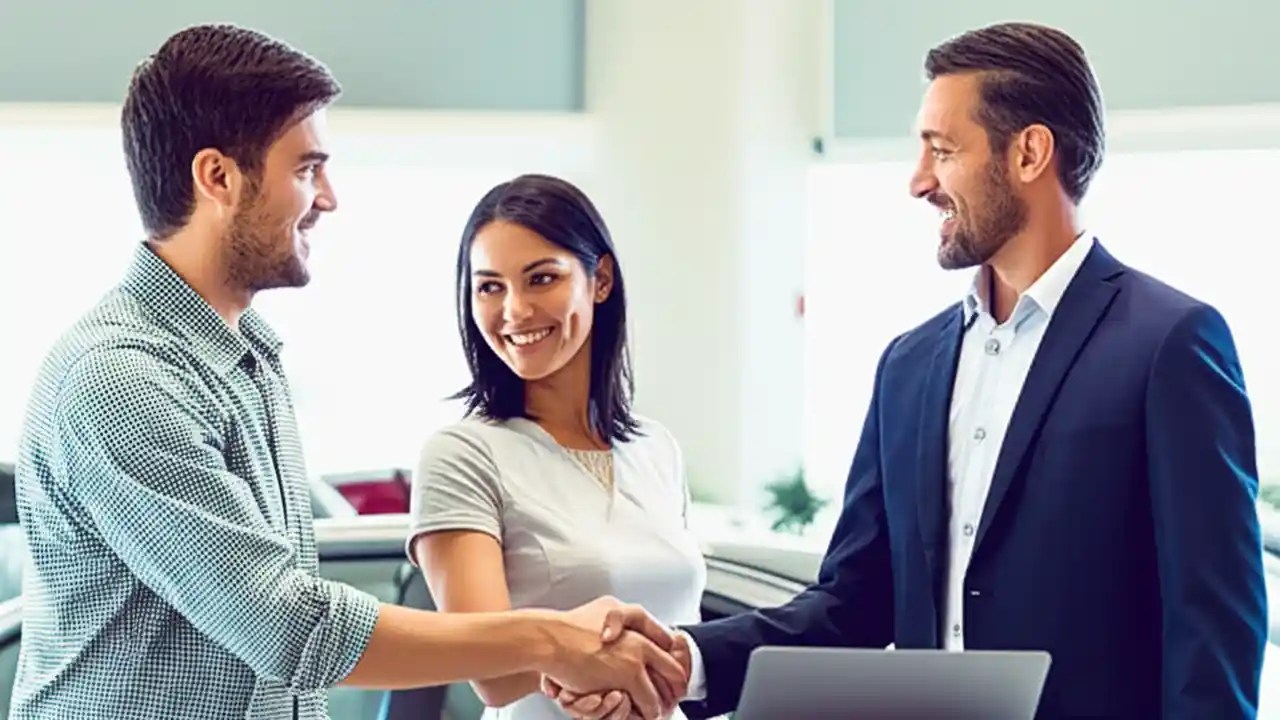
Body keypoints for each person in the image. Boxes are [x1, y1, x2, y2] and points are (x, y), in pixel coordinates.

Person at [551, 21, 1268, 719]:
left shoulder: (1170, 343)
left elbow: (1215, 626)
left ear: (1029, 153)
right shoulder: (910, 366)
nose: (918, 181)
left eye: (941, 149)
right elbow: (851, 604)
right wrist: (683, 659)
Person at [8, 24, 684, 720]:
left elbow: (284, 679)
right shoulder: (121, 380)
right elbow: (287, 628)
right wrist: (550, 637)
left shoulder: (247, 364)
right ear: (218, 178)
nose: (327, 197)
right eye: (306, 168)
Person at [408, 173, 707, 720]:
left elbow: (692, 639)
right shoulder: (462, 455)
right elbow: (489, 671)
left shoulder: (656, 448)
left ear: (601, 280)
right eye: (490, 286)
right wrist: (591, 671)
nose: (515, 310)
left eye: (540, 278)